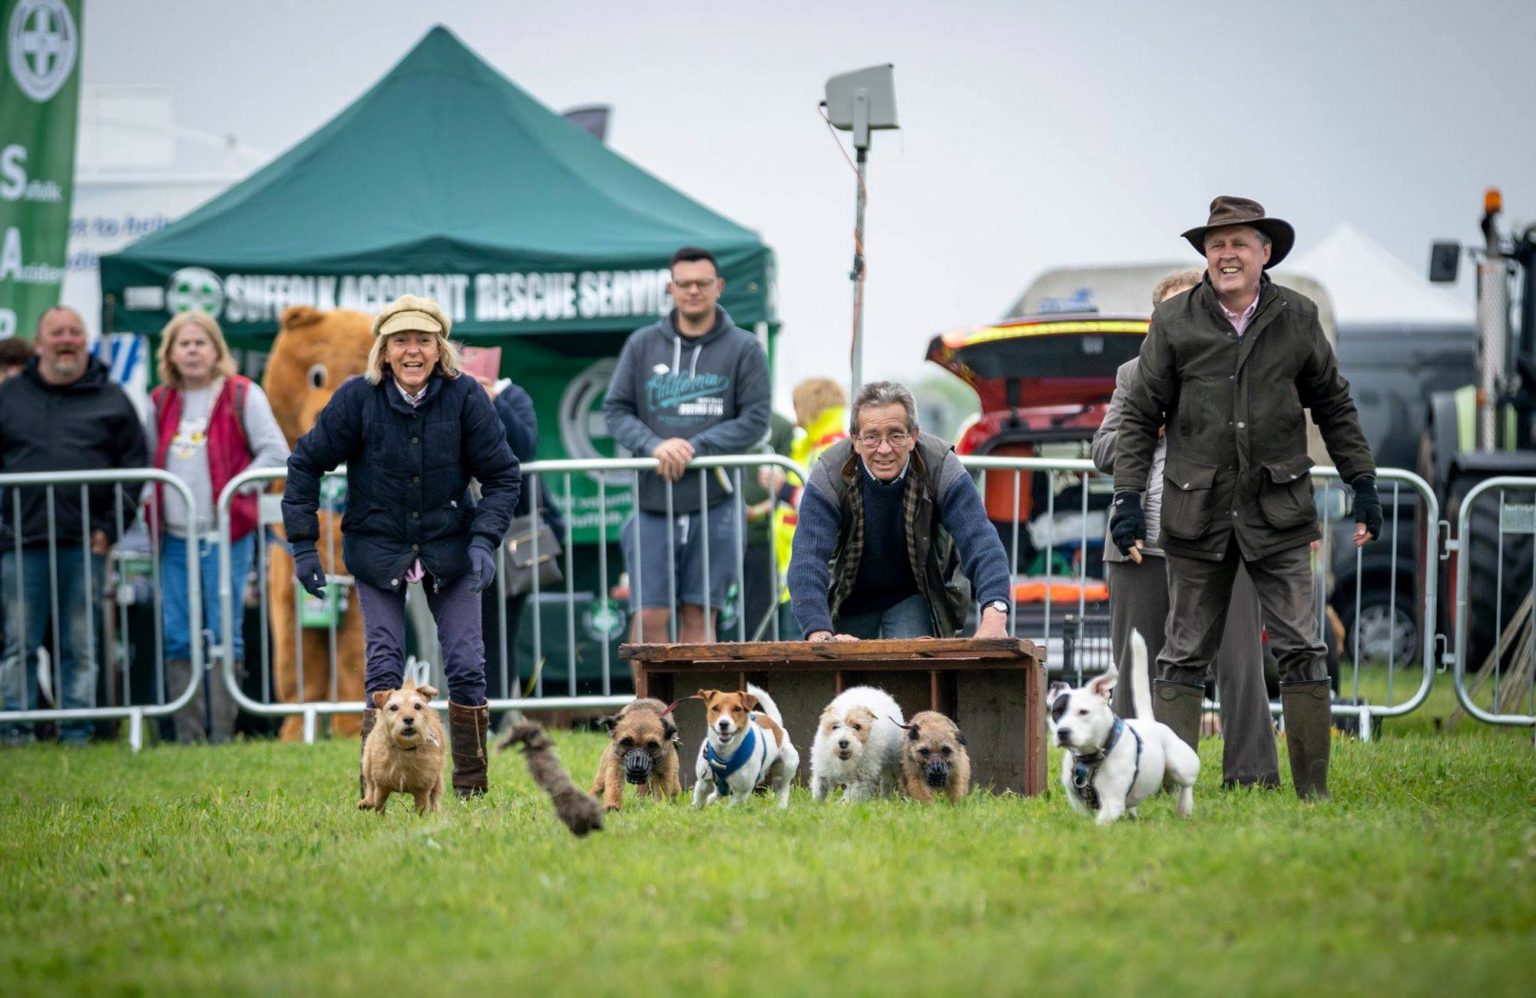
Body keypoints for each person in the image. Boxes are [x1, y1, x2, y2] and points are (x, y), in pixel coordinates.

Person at [1110, 196, 1381, 800]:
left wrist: (1362, 483)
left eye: (1239, 243)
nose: (1226, 254)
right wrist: (1128, 497)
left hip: (1277, 511)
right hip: (1196, 513)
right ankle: (1164, 792)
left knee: (1303, 648)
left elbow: (1334, 404)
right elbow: (1136, 417)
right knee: (1181, 657)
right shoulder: (1175, 321)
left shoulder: (1298, 317)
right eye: (1216, 244)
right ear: (1205, 255)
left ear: (1265, 252)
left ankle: (1314, 793)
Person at [283, 295, 519, 798]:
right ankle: (374, 787)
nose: (412, 351)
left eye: (423, 341)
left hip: (450, 547)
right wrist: (303, 546)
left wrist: (483, 540)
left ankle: (471, 784)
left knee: (465, 664)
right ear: (384, 351)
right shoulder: (356, 398)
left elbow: (502, 475)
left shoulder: (465, 397)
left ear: (440, 349)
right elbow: (305, 463)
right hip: (378, 545)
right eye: (401, 342)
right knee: (384, 668)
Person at [1092, 268, 1279, 788]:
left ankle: (1253, 775)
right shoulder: (1132, 375)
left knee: (1240, 668)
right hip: (1141, 547)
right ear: (1156, 322)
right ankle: (1130, 774)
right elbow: (1102, 450)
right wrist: (1145, 431)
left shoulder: (1242, 373)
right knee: (1136, 670)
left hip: (1225, 542)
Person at [603, 246, 771, 649]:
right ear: (670, 287)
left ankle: (698, 712)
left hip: (716, 503)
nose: (693, 291)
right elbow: (615, 410)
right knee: (649, 615)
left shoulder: (744, 347)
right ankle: (651, 713)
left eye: (702, 283)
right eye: (684, 284)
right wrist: (655, 445)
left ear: (719, 287)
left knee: (700, 614)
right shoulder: (642, 344)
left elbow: (756, 418)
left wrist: (695, 447)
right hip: (652, 504)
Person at [0, 307, 148, 745]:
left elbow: (134, 468)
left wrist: (110, 528)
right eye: (57, 332)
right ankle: (16, 731)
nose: (66, 339)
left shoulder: (113, 398)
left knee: (79, 647)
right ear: (40, 343)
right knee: (17, 645)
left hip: (85, 545)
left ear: (86, 341)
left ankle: (78, 732)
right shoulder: (9, 397)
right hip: (17, 545)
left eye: (74, 332)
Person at [147, 311, 289, 743]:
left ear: (216, 350)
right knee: (176, 634)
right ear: (169, 353)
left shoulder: (241, 393)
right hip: (173, 536)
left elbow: (276, 453)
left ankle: (222, 734)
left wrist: (233, 489)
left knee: (223, 630)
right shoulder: (159, 401)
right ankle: (189, 737)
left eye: (200, 342)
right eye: (183, 343)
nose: (192, 350)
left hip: (225, 534)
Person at [788, 380, 1012, 641]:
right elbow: (807, 559)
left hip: (912, 595)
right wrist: (819, 633)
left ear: (913, 436)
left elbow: (981, 542)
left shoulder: (941, 466)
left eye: (895, 435)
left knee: (914, 672)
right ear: (855, 441)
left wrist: (995, 613)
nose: (884, 449)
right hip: (848, 597)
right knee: (843, 675)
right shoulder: (829, 472)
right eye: (871, 437)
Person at [480, 377, 563, 698]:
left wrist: (492, 400)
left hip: (508, 537)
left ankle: (493, 716)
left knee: (498, 631)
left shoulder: (512, 394)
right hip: (455, 532)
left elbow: (524, 446)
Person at [761, 377, 850, 636]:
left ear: (811, 406)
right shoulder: (810, 446)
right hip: (797, 571)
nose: (794, 412)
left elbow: (828, 505)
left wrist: (783, 489)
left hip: (815, 573)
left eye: (797, 404)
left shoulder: (830, 449)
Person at [741, 410, 794, 640]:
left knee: (759, 618)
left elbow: (792, 481)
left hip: (763, 539)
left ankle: (759, 675)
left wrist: (758, 511)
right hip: (718, 537)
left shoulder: (781, 425)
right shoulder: (721, 419)